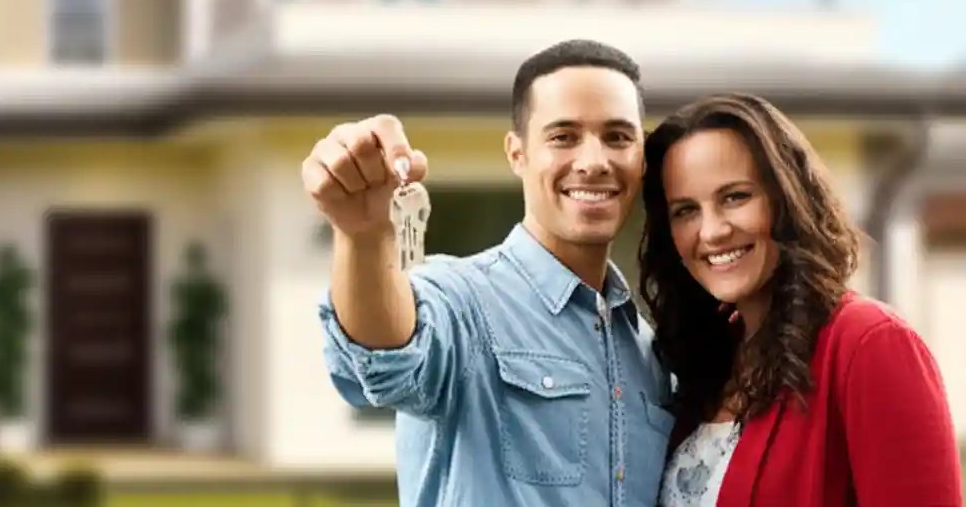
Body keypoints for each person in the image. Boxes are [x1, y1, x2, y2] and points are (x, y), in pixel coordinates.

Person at [307, 40, 675, 506]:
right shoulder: (462, 301)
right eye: (563, 136)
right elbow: (388, 351)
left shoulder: (649, 352)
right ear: (516, 153)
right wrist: (362, 236)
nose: (594, 161)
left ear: (642, 160)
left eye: (618, 137)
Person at [640, 93, 962, 506]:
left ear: (787, 199)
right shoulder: (707, 362)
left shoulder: (869, 343)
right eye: (686, 210)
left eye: (735, 197)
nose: (712, 231)